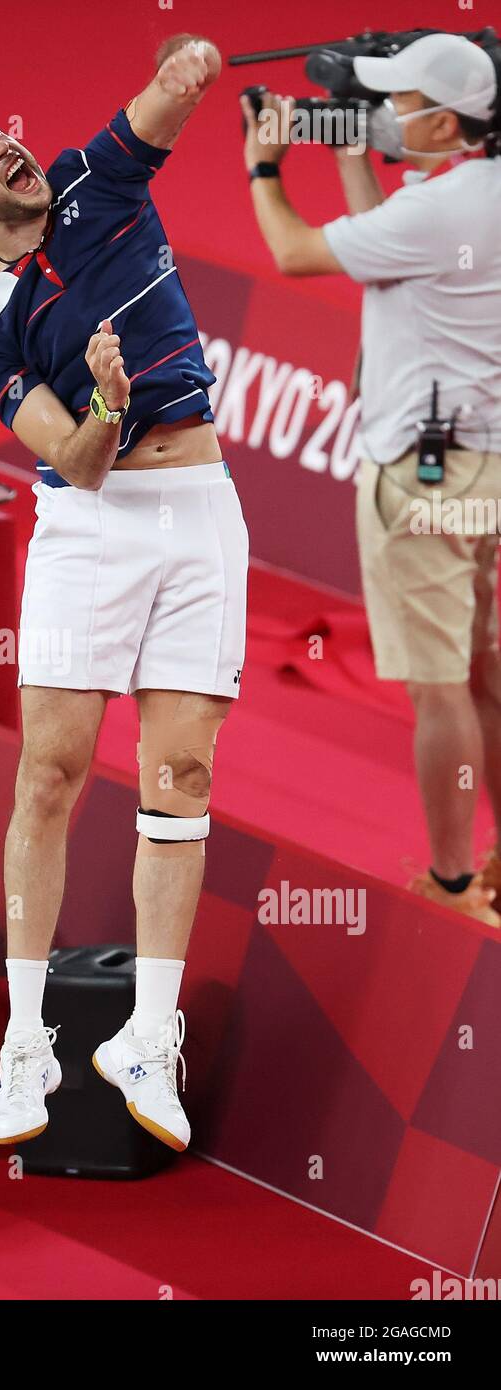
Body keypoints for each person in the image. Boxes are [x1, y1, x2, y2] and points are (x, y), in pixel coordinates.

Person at [0, 33, 248, 1150]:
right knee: (49, 773)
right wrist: (103, 402)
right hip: (89, 527)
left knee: (180, 771)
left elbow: (159, 102)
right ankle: (24, 1039)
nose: (4, 147)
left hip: (198, 511)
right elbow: (76, 457)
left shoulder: (96, 179)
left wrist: (186, 67)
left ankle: (149, 1033)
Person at [241, 32, 501, 927]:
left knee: (439, 689)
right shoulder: (467, 194)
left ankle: (454, 886)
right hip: (483, 466)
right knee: (483, 674)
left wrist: (262, 169)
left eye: (402, 102)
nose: (389, 112)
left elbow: (295, 254)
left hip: (421, 480)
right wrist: (356, 159)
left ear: (443, 116)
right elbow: (387, 265)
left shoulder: (438, 211)